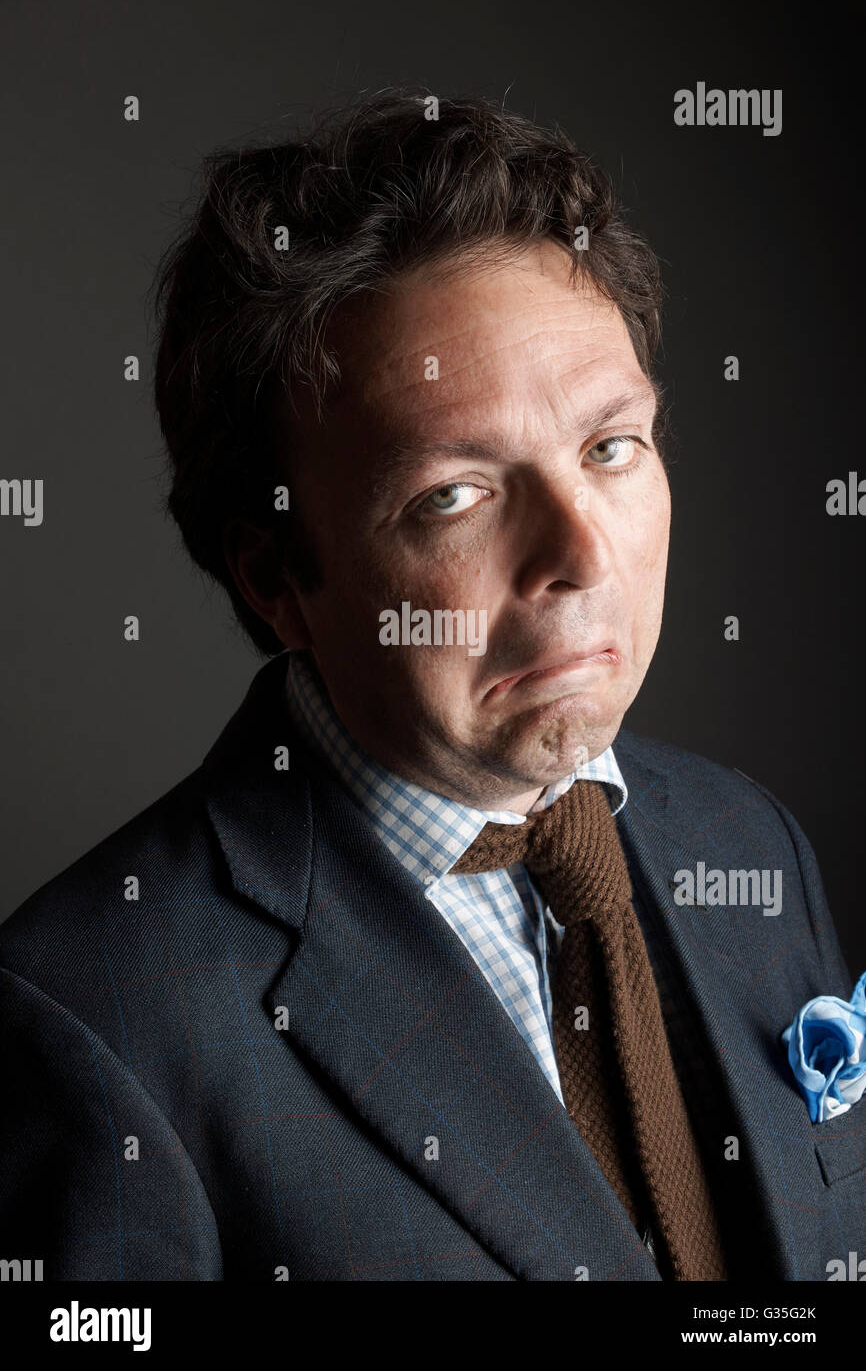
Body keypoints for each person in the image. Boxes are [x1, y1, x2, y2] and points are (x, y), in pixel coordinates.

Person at [1, 89, 862, 1282]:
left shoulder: (746, 840)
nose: (580, 555)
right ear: (276, 577)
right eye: (452, 495)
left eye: (610, 447)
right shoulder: (90, 1017)